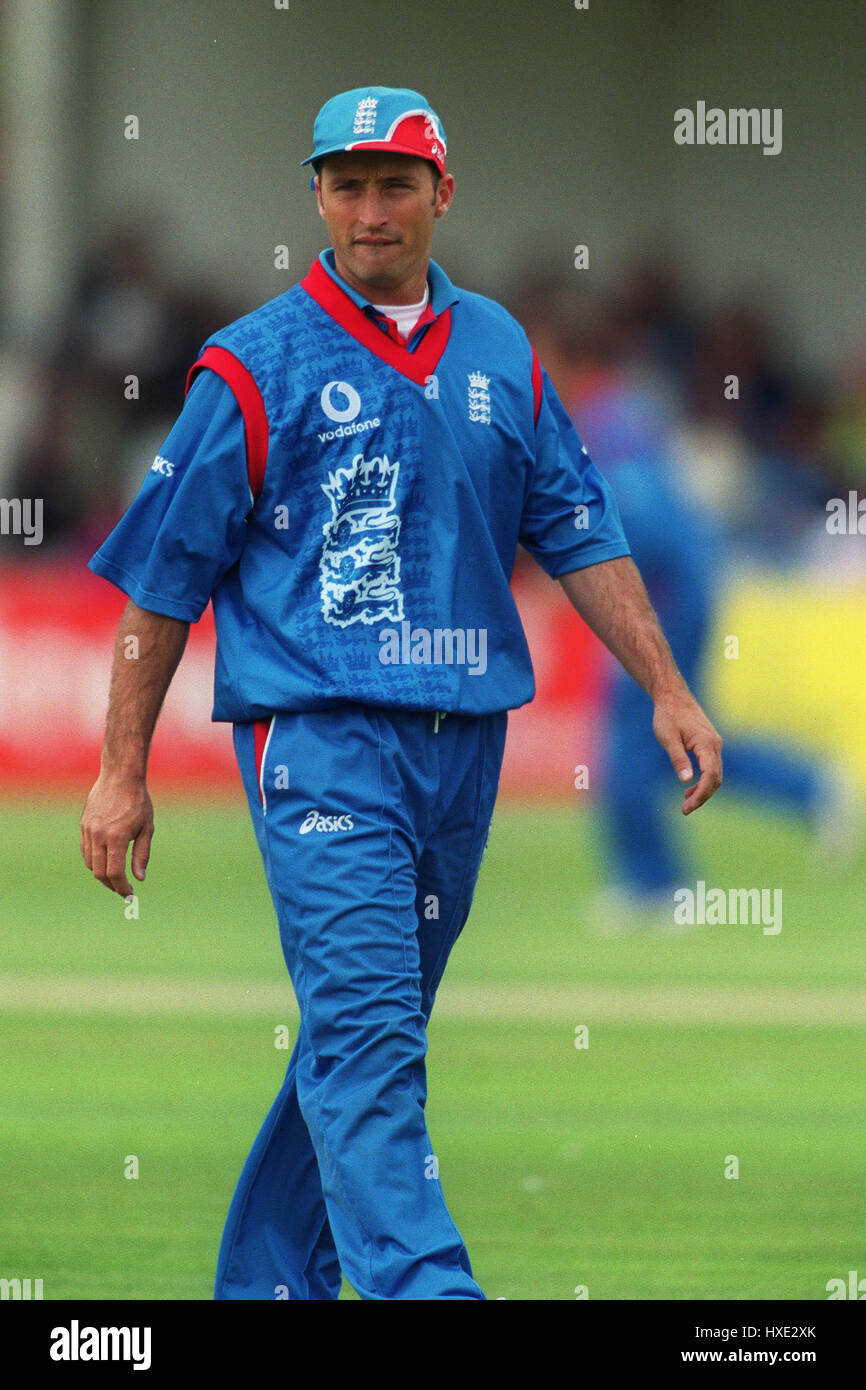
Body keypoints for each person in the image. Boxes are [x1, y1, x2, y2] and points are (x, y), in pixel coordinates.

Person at [80, 85, 722, 1301]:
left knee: (357, 1038)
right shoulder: (252, 363)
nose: (369, 209)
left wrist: (668, 689)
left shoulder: (499, 350)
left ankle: (268, 1284)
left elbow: (580, 528)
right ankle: (427, 1289)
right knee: (371, 1043)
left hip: (463, 748)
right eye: (346, 183)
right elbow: (162, 582)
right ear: (315, 195)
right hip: (321, 744)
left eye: (393, 183)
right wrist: (123, 769)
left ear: (440, 191)